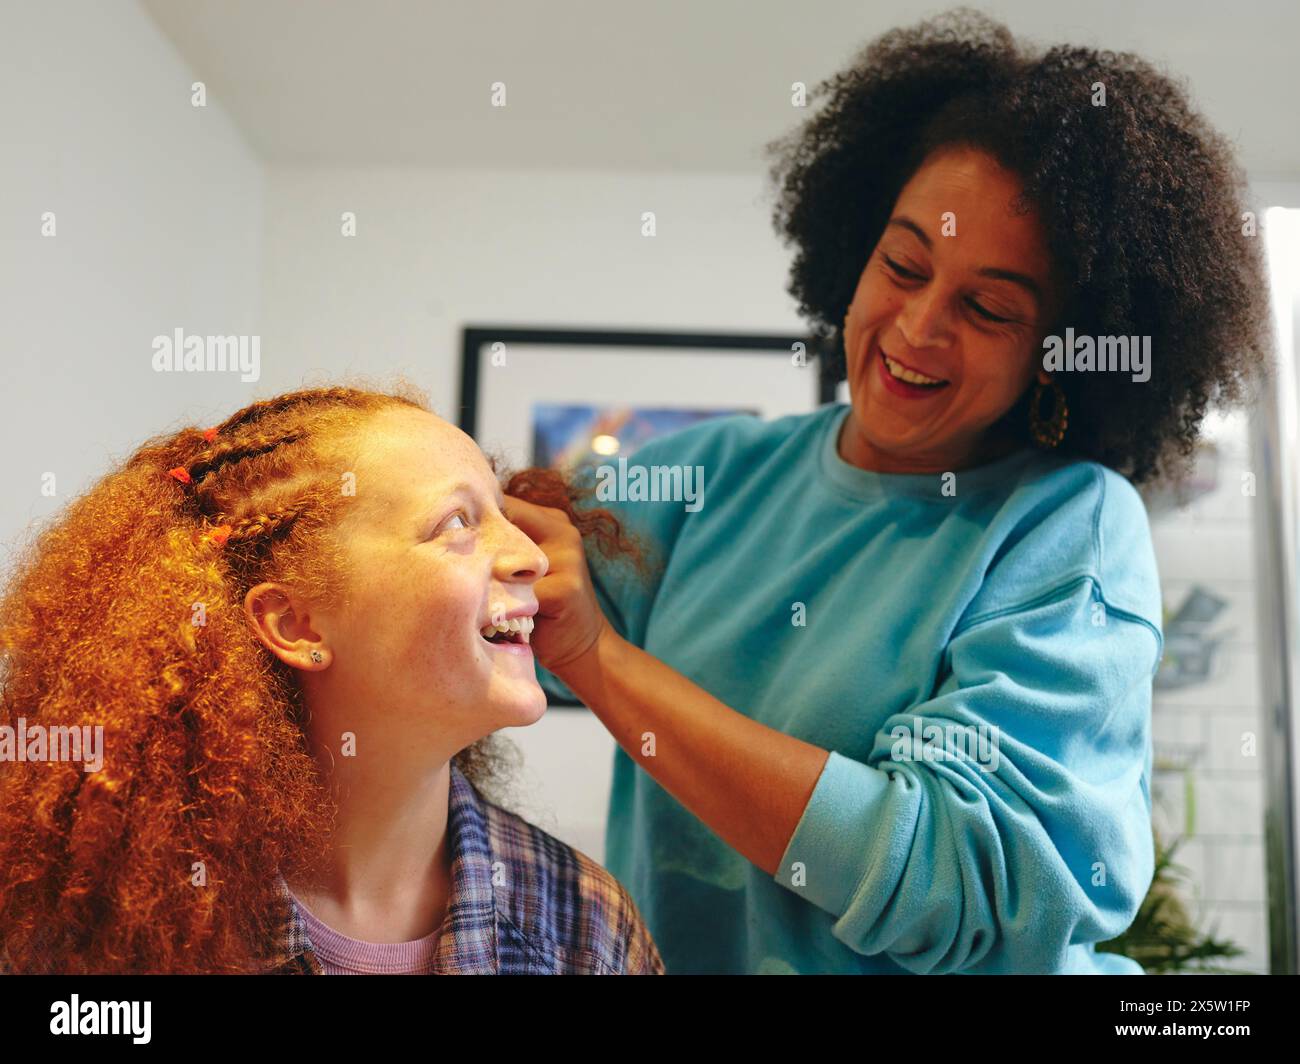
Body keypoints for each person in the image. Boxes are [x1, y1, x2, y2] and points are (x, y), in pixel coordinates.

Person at [508, 10, 1273, 974]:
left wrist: (602, 661)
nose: (916, 327)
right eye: (902, 264)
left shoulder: (1064, 526)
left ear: (1059, 356)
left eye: (987, 307)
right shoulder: (704, 475)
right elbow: (487, 605)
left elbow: (952, 882)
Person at [0, 384, 662, 975]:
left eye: (506, 517)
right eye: (457, 522)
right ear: (296, 625)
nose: (534, 557)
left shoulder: (584, 926)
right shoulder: (95, 927)